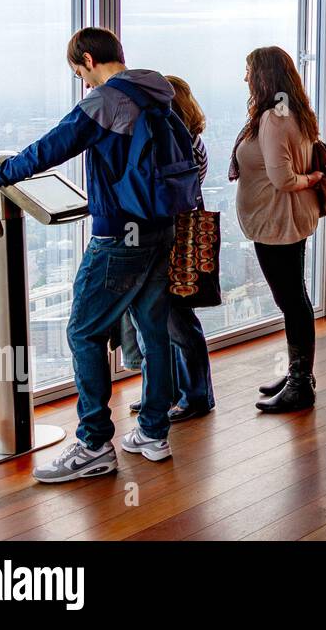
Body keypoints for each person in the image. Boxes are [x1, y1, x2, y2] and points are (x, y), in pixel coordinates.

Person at [0, 27, 182, 482]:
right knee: (153, 329)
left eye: (78, 71)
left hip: (121, 234)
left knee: (83, 332)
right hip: (160, 226)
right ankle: (153, 433)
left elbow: (52, 148)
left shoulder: (106, 100)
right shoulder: (157, 91)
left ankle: (94, 444)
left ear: (86, 58)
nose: (82, 81)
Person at [231, 46, 324, 412]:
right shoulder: (295, 112)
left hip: (276, 220)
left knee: (291, 301)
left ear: (264, 76)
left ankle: (301, 383)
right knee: (294, 298)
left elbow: (283, 179)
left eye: (249, 71)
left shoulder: (272, 117)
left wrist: (311, 178)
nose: (245, 78)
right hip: (286, 219)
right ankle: (299, 374)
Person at [123, 75, 215, 422]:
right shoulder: (190, 141)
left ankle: (194, 396)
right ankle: (167, 394)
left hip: (171, 241)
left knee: (177, 323)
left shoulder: (181, 145)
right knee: (166, 323)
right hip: (175, 237)